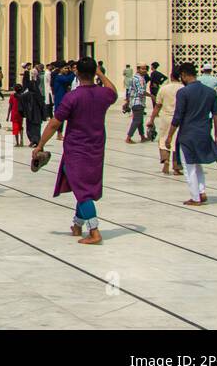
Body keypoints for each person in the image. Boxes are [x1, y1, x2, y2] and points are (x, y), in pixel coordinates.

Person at [32, 57, 116, 245]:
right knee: (80, 184)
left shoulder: (73, 97)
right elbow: (114, 92)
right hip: (96, 147)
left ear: (77, 73)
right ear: (94, 73)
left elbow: (54, 124)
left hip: (77, 149)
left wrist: (40, 145)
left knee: (83, 190)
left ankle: (94, 231)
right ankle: (77, 225)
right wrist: (100, 74)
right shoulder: (103, 94)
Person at [164, 62, 217, 207]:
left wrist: (169, 136)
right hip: (204, 132)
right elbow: (216, 115)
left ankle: (195, 197)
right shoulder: (210, 92)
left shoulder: (183, 92)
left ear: (184, 75)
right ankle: (202, 192)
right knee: (198, 165)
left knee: (189, 167)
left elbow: (178, 116)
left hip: (188, 134)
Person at [152, 66, 184, 175]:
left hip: (165, 117)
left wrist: (151, 119)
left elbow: (158, 105)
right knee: (176, 141)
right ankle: (176, 166)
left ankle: (166, 160)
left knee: (163, 138)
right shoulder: (183, 88)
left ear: (171, 76)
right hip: (178, 118)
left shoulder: (164, 88)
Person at [124, 64, 149, 142]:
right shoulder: (140, 79)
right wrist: (151, 96)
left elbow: (129, 90)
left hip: (134, 102)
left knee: (140, 121)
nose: (144, 70)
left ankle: (142, 137)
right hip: (138, 102)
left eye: (145, 69)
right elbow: (141, 92)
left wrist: (128, 101)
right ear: (138, 69)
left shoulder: (134, 78)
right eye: (142, 69)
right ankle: (128, 138)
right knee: (137, 121)